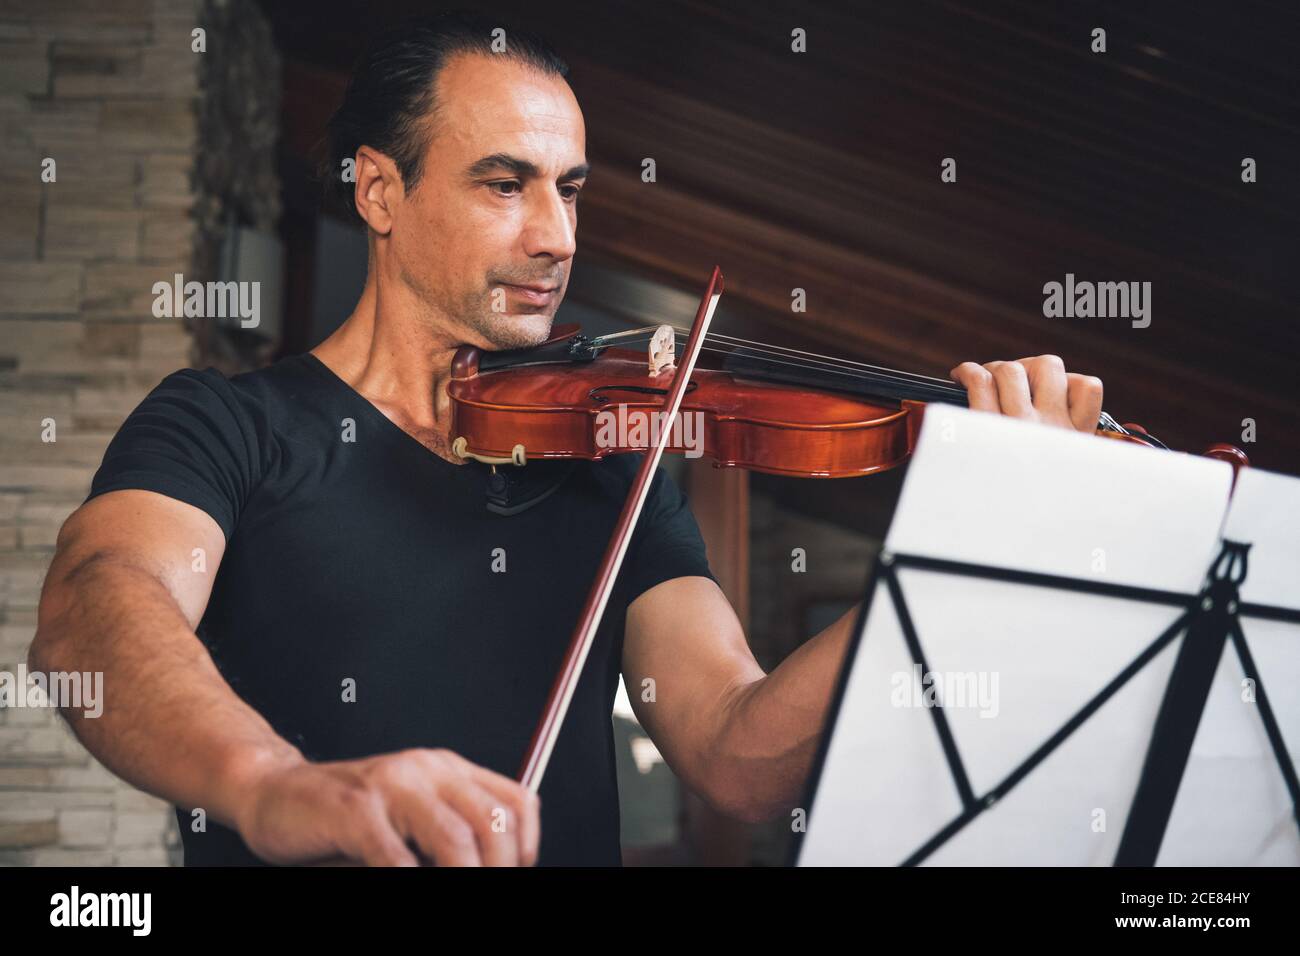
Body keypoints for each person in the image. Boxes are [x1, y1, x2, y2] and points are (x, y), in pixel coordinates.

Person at [29, 12, 1105, 866]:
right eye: (504, 184)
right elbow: (94, 608)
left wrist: (955, 548)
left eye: (570, 191)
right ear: (378, 189)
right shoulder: (228, 424)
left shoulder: (611, 460)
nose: (556, 238)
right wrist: (272, 781)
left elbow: (736, 751)